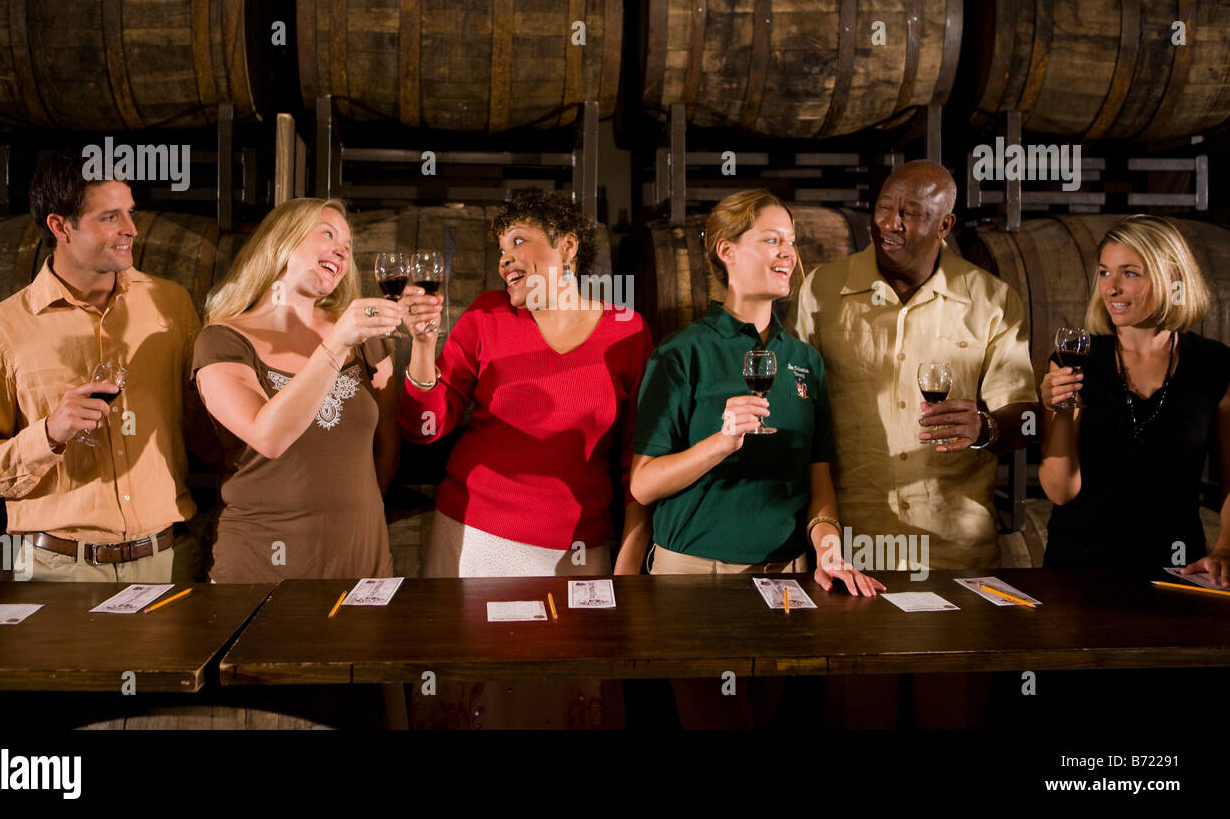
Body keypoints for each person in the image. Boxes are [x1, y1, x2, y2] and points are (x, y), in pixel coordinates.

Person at [399, 189, 653, 728]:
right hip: (478, 541)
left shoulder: (627, 329)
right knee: (475, 706)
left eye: (520, 241)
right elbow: (426, 428)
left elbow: (639, 457)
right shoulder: (485, 316)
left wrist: (630, 557)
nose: (505, 258)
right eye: (500, 248)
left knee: (563, 704)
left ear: (567, 246)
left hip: (580, 550)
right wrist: (423, 346)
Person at [630, 189, 882, 728]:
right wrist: (718, 444)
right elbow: (643, 485)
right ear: (726, 250)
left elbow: (818, 478)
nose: (789, 253)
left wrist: (828, 544)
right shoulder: (683, 352)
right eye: (771, 240)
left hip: (784, 582)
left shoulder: (804, 360)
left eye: (791, 242)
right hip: (697, 583)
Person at [0, 152, 203, 582]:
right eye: (110, 217)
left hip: (167, 561)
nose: (131, 230)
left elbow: (202, 428)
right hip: (60, 571)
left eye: (130, 214)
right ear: (60, 226)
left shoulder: (170, 305)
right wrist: (47, 435)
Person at [789, 160, 1039, 572]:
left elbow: (1027, 414)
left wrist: (986, 427)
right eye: (885, 207)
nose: (891, 223)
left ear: (945, 225)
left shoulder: (992, 300)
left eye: (912, 213)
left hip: (953, 548)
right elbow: (795, 403)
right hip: (849, 547)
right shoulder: (823, 290)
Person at [192, 198, 401, 583]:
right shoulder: (223, 340)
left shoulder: (365, 341)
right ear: (282, 241)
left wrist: (358, 515)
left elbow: (389, 446)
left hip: (361, 560)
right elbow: (268, 436)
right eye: (327, 233)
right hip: (264, 565)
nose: (341, 249)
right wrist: (337, 343)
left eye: (347, 245)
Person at [1039, 215, 1230, 585]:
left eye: (1129, 273)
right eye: (1104, 272)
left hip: (1176, 566)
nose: (1111, 288)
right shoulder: (1075, 360)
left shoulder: (1215, 365)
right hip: (1078, 569)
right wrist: (1061, 410)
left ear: (1172, 277)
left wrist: (1225, 547)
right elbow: (1061, 491)